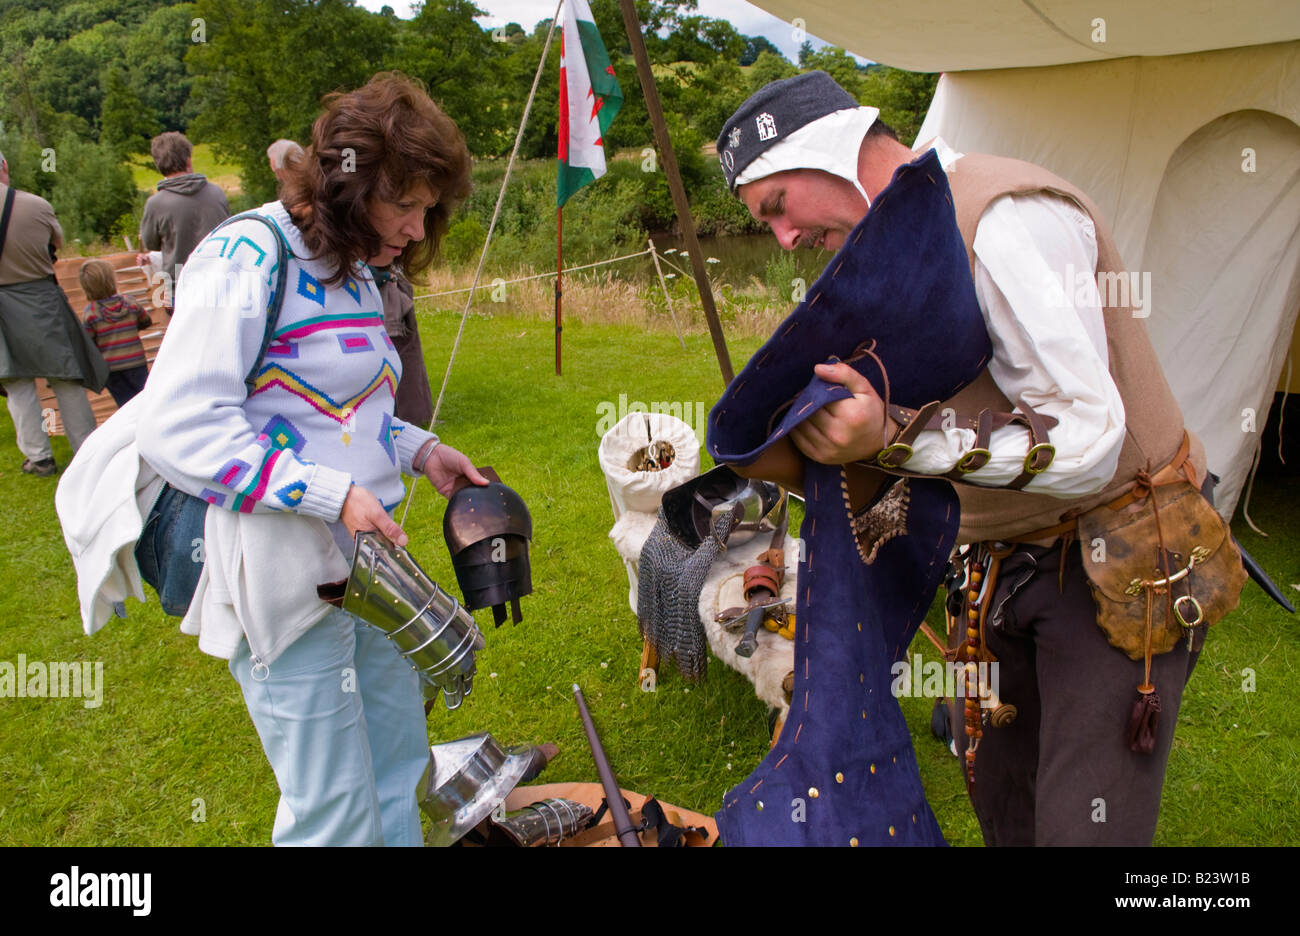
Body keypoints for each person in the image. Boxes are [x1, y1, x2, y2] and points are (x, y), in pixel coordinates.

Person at [716, 71, 1225, 846]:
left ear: (830, 152)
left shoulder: (999, 216)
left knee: (1087, 827)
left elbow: (1090, 442)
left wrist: (893, 436)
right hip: (1000, 573)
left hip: (1120, 557)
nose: (783, 240)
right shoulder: (890, 253)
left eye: (779, 206)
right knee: (1006, 812)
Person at [135, 72, 485, 846]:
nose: (420, 230)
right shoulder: (244, 254)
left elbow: (345, 416)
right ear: (345, 181)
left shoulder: (357, 270)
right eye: (405, 204)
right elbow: (181, 425)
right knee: (330, 806)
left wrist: (421, 449)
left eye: (430, 208)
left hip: (371, 566)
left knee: (398, 763)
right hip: (283, 575)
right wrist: (325, 492)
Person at [0, 149, 107, 476]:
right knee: (65, 376)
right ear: (4, 166)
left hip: (2, 305)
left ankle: (39, 457)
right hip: (41, 297)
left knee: (17, 382)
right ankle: (86, 449)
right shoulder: (36, 205)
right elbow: (56, 243)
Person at [136, 132, 230, 314]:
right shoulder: (216, 194)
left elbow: (150, 243)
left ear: (159, 165)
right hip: (220, 279)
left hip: (180, 284)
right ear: (188, 160)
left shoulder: (155, 204)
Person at [78, 259, 154, 407]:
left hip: (112, 371)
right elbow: (146, 321)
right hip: (136, 363)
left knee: (125, 406)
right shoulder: (130, 303)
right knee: (146, 401)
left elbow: (88, 343)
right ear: (112, 280)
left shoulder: (91, 314)